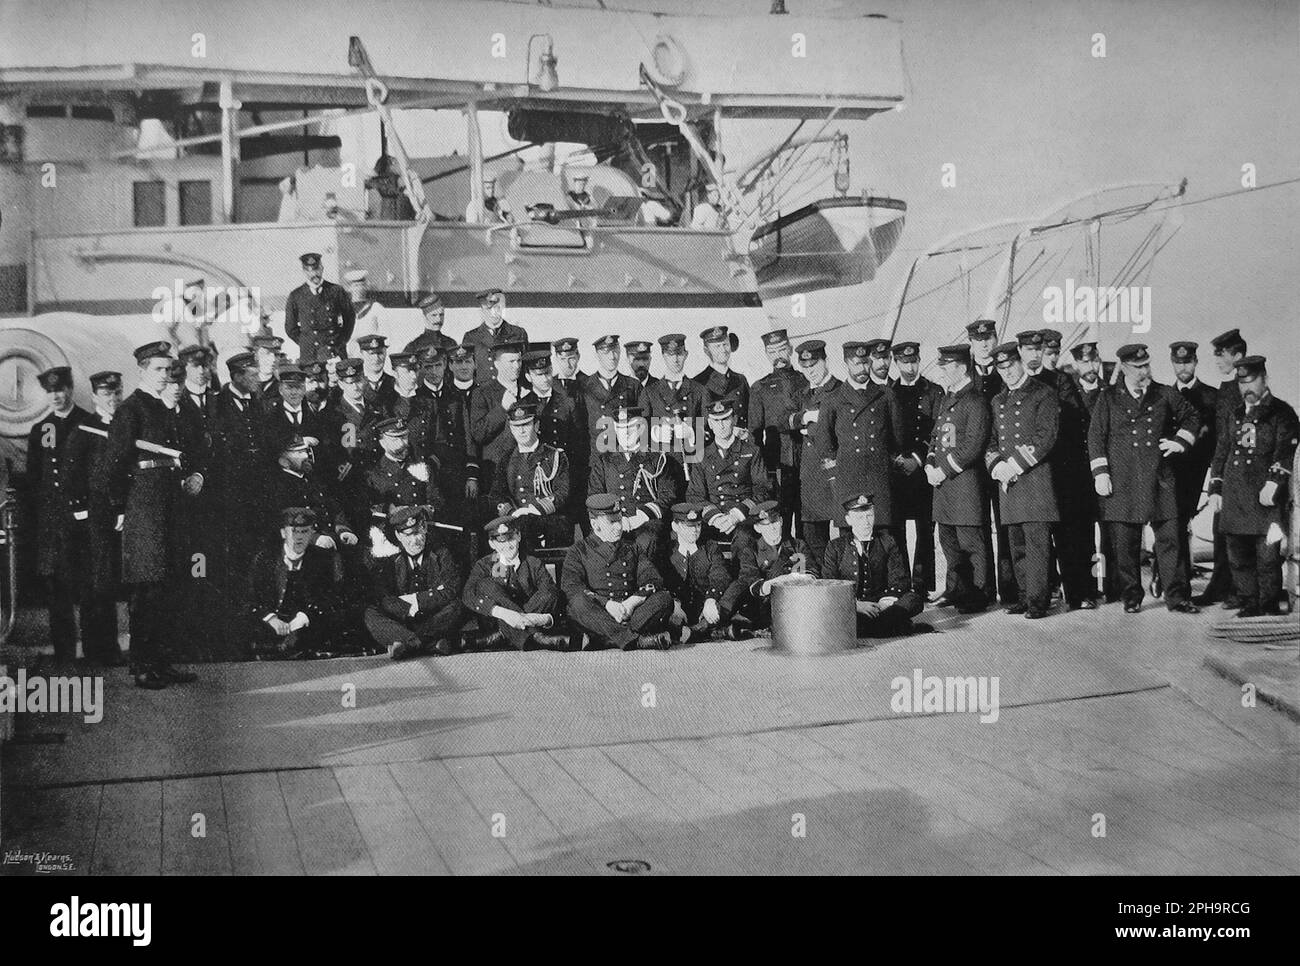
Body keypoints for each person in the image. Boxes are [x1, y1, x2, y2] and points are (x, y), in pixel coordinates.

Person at [101, 342, 202, 689]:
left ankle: (162, 661)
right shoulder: (132, 409)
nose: (165, 375)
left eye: (168, 369)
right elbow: (113, 463)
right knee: (145, 589)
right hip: (144, 509)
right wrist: (119, 507)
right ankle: (143, 666)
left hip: (170, 506)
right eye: (158, 369)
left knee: (166, 586)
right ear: (142, 370)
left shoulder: (163, 408)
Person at [1087, 343, 1201, 615]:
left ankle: (1178, 597)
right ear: (1124, 368)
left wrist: (1179, 442)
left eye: (1146, 365)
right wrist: (1100, 473)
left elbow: (1193, 416)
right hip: (1123, 481)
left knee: (1171, 540)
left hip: (1161, 480)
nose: (1144, 371)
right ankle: (1131, 597)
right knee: (1125, 547)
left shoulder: (1164, 393)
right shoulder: (1109, 397)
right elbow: (1095, 436)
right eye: (1138, 367)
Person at [1208, 355, 1298, 617]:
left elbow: (1285, 451)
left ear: (1264, 379)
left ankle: (1268, 604)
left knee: (1268, 558)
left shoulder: (1282, 413)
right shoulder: (1234, 414)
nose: (1246, 388)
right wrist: (1215, 488)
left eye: (1251, 381)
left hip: (1266, 499)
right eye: (1241, 382)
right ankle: (1249, 602)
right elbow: (1221, 452)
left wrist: (1274, 481)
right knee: (1238, 557)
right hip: (1235, 496)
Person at [984, 341, 1059, 619]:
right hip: (1009, 484)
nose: (1007, 372)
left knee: (1037, 546)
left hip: (1035, 483)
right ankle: (1025, 598)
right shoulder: (998, 401)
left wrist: (1014, 464)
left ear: (1020, 362)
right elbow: (991, 441)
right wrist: (996, 467)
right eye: (1001, 368)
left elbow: (1045, 436)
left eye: (1011, 365)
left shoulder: (1043, 393)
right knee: (1017, 546)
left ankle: (1038, 602)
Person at [1022, 329, 1094, 610]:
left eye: (1039, 350)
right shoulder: (1017, 384)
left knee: (1070, 534)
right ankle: (1041, 590)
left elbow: (1074, 421)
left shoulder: (1060, 381)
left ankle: (1078, 593)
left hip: (1061, 468)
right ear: (1021, 352)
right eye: (1029, 350)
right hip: (1031, 470)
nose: (1035, 354)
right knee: (1035, 537)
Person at [26, 366, 90, 665]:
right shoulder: (41, 429)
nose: (56, 396)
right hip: (53, 523)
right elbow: (35, 479)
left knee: (90, 587)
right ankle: (65, 654)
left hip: (85, 518)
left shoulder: (88, 423)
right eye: (50, 392)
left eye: (60, 390)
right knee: (58, 591)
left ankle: (97, 651)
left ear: (70, 388)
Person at [63, 371, 125, 666]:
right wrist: (83, 512)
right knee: (97, 584)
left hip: (120, 515)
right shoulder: (85, 429)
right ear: (95, 397)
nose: (112, 399)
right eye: (106, 394)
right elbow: (71, 474)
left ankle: (110, 648)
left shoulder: (125, 426)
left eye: (116, 394)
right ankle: (97, 650)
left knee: (112, 582)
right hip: (94, 518)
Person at [560, 494, 675, 651]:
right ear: (595, 524)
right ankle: (636, 640)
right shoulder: (579, 550)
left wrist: (631, 603)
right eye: (612, 522)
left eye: (620, 520)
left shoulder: (631, 548)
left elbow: (653, 579)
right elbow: (572, 587)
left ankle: (607, 640)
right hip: (599, 612)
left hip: (630, 613)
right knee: (578, 603)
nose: (619, 527)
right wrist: (607, 605)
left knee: (664, 598)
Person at [925, 344, 992, 613]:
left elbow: (974, 445)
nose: (941, 371)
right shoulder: (947, 398)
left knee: (971, 544)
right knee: (949, 542)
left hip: (964, 486)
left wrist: (944, 469)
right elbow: (936, 438)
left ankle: (978, 594)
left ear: (962, 368)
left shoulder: (975, 400)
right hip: (944, 487)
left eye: (947, 366)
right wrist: (930, 463)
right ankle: (956, 589)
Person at [819, 341, 902, 535]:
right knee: (850, 542)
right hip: (848, 479)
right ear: (846, 363)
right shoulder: (833, 399)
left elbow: (897, 439)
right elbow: (824, 443)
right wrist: (834, 477)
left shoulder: (886, 396)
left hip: (879, 479)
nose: (863, 368)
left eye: (866, 363)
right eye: (856, 363)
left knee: (883, 539)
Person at [365, 505, 466, 659]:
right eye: (408, 535)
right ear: (398, 536)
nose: (415, 540)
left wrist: (417, 601)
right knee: (370, 613)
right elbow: (384, 597)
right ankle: (427, 643)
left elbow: (451, 589)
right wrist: (406, 608)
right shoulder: (390, 559)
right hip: (403, 619)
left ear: (425, 528)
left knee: (457, 606)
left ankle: (407, 644)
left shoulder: (442, 554)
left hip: (433, 618)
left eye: (419, 532)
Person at [1194, 328, 1249, 606]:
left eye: (1221, 355)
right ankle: (1221, 587)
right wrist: (1216, 478)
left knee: (1243, 534)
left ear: (1238, 356)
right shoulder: (1226, 390)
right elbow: (1221, 439)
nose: (1216, 360)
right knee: (1221, 530)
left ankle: (1242, 591)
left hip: (1248, 476)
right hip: (1226, 472)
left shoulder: (1248, 389)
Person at [821, 494, 925, 638]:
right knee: (831, 610)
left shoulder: (887, 542)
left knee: (914, 599)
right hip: (852, 607)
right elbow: (829, 585)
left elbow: (899, 579)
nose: (866, 522)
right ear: (848, 520)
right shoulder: (835, 546)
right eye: (860, 517)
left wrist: (884, 604)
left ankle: (872, 627)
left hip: (882, 606)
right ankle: (891, 626)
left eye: (869, 516)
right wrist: (856, 605)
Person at [245, 507, 344, 659]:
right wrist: (272, 619)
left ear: (312, 533)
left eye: (305, 532)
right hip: (272, 623)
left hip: (306, 622)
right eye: (294, 531)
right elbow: (251, 598)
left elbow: (330, 597)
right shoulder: (265, 559)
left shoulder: (323, 559)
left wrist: (303, 618)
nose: (299, 537)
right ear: (284, 533)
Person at [462, 515, 572, 651]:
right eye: (501, 541)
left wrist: (542, 619)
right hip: (496, 620)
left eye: (511, 539)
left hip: (527, 614)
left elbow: (549, 592)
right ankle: (538, 639)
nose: (507, 545)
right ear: (492, 544)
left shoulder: (533, 563)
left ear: (519, 536)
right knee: (486, 585)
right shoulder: (484, 565)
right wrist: (504, 614)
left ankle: (503, 635)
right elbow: (467, 595)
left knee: (550, 593)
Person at [967, 318, 1017, 604]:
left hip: (1002, 461)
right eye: (978, 340)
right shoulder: (966, 377)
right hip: (974, 465)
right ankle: (983, 590)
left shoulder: (1005, 374)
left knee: (1007, 525)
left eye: (989, 339)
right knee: (979, 526)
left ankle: (1009, 590)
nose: (985, 344)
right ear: (972, 344)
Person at [587, 405, 676, 559]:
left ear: (641, 428)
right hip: (612, 521)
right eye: (621, 428)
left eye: (630, 428)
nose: (625, 433)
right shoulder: (604, 461)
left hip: (645, 523)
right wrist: (610, 522)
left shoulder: (657, 458)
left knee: (646, 542)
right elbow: (595, 496)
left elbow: (668, 495)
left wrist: (640, 517)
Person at [211, 351, 270, 584]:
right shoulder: (217, 404)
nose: (258, 379)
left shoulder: (257, 402)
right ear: (236, 376)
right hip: (232, 489)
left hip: (258, 488)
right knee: (237, 549)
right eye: (252, 375)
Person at [888, 340, 941, 593]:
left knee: (925, 530)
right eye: (904, 362)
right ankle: (901, 583)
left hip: (922, 470)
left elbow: (937, 432)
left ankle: (922, 585)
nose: (910, 367)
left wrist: (918, 460)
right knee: (897, 530)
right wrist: (896, 459)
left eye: (913, 361)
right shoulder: (889, 392)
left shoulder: (934, 392)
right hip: (897, 471)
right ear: (896, 363)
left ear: (919, 360)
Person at [685, 399, 772, 553]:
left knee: (744, 537)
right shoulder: (701, 455)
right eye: (716, 421)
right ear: (710, 424)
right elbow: (694, 495)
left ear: (734, 420)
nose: (722, 425)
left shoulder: (752, 451)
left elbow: (763, 488)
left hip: (743, 517)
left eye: (725, 419)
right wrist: (716, 517)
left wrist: (736, 515)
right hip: (714, 518)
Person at [1167, 341, 1219, 591]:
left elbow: (1218, 438)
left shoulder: (1211, 396)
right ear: (1172, 364)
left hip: (1198, 472)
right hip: (1170, 471)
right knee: (1170, 525)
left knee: (1188, 523)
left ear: (1196, 363)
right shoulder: (1166, 395)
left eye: (1187, 362)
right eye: (1178, 363)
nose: (1183, 367)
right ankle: (1172, 577)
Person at [488, 402, 573, 551]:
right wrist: (511, 512)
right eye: (516, 426)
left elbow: (563, 492)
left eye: (526, 425)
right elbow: (496, 495)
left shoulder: (555, 456)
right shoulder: (506, 459)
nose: (521, 431)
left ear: (536, 425)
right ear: (511, 429)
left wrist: (534, 509)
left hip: (547, 522)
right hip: (516, 522)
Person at [749, 329, 808, 539]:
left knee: (807, 523)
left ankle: (806, 569)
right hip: (777, 466)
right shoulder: (760, 388)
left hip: (806, 462)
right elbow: (754, 436)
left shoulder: (805, 381)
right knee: (778, 523)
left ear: (790, 349)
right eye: (772, 351)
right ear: (766, 354)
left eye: (782, 349)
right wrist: (762, 473)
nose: (778, 355)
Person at [790, 339, 841, 570]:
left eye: (815, 365)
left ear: (825, 361)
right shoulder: (802, 394)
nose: (810, 371)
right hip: (810, 475)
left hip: (835, 472)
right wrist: (804, 418)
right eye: (806, 367)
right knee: (813, 538)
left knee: (845, 536)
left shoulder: (840, 390)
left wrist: (811, 426)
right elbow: (785, 419)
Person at [731, 499, 812, 636]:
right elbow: (753, 585)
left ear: (781, 521)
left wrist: (797, 578)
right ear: (757, 528)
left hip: (796, 603)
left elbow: (811, 574)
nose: (773, 528)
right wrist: (782, 580)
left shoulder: (797, 546)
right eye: (766, 525)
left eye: (775, 523)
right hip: (764, 607)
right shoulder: (751, 550)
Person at [663, 502, 739, 643]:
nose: (695, 531)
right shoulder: (666, 550)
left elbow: (720, 575)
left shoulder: (710, 547)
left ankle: (695, 632)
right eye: (689, 526)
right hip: (679, 610)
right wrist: (675, 603)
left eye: (698, 525)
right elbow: (662, 580)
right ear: (675, 526)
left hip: (705, 607)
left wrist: (711, 599)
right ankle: (712, 632)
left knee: (732, 590)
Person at [364, 418, 445, 524]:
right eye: (395, 440)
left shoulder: (422, 466)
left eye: (404, 437)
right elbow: (369, 507)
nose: (402, 443)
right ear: (382, 442)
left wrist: (424, 510)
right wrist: (389, 509)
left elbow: (436, 499)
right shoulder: (373, 473)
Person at [284, 252, 356, 365]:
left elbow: (350, 317)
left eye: (316, 270)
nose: (314, 274)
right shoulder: (296, 295)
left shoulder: (336, 291)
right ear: (304, 272)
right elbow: (290, 328)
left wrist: (341, 340)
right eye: (309, 271)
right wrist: (307, 342)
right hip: (310, 356)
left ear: (322, 268)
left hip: (334, 352)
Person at [581, 334, 646, 450]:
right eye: (606, 352)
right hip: (596, 458)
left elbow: (644, 424)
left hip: (624, 457)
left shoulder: (633, 385)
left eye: (615, 350)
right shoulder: (584, 387)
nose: (612, 356)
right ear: (597, 355)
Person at [463, 289, 529, 385]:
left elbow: (526, 368)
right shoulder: (471, 337)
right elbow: (468, 370)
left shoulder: (518, 333)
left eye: (497, 308)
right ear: (481, 310)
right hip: (483, 393)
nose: (494, 313)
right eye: (489, 309)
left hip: (511, 392)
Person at [694, 326, 749, 427]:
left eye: (725, 344)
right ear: (706, 350)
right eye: (717, 346)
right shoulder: (698, 383)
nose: (723, 350)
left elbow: (750, 418)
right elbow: (697, 426)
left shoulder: (740, 380)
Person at [404, 293, 459, 357]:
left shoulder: (451, 343)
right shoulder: (414, 346)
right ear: (425, 317)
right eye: (434, 315)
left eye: (441, 315)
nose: (439, 319)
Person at [357, 333, 395, 408]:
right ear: (362, 354)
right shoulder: (354, 385)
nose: (376, 358)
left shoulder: (395, 383)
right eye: (371, 354)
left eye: (380, 353)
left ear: (385, 353)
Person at [345, 269, 383, 342]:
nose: (359, 289)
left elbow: (386, 334)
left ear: (366, 287)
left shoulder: (376, 308)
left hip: (370, 349)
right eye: (355, 286)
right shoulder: (344, 310)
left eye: (362, 285)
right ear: (349, 288)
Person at [251, 334, 283, 398]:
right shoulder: (245, 386)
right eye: (267, 353)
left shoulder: (282, 388)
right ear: (255, 356)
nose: (273, 359)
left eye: (276, 355)